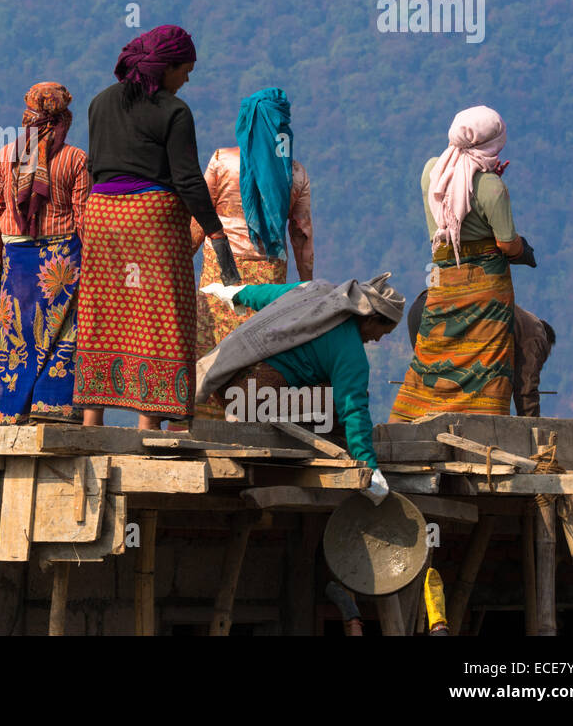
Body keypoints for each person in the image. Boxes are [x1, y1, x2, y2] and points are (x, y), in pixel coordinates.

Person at [73, 25, 241, 430]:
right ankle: (148, 428)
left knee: (102, 311)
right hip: (153, 219)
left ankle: (91, 422)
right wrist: (214, 232)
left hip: (102, 216)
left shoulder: (99, 103)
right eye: (185, 70)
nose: (186, 79)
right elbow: (186, 180)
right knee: (161, 313)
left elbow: (95, 167)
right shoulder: (174, 111)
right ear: (165, 68)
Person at [198, 273, 406, 503]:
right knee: (340, 402)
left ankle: (249, 415)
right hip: (254, 400)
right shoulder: (350, 351)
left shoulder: (317, 292)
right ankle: (330, 449)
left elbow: (269, 295)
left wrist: (236, 294)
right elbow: (354, 409)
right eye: (382, 332)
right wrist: (370, 466)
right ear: (370, 319)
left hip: (226, 384)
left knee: (327, 387)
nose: (377, 340)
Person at [390, 106, 535, 422]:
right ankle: (484, 424)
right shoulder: (492, 189)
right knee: (488, 360)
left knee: (433, 354)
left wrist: (485, 180)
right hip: (487, 294)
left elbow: (460, 196)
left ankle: (414, 417)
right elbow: (506, 243)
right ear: (493, 143)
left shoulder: (433, 171)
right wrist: (526, 252)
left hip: (443, 282)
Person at [191, 88, 313, 421]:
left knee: (213, 341)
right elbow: (301, 235)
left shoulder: (222, 160)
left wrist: (177, 261)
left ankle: (203, 418)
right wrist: (306, 287)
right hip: (270, 276)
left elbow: (201, 218)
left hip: (221, 269)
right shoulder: (295, 172)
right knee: (260, 345)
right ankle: (248, 418)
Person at [0, 82, 90, 424]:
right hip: (62, 257)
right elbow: (83, 216)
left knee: (16, 330)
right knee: (61, 329)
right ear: (63, 120)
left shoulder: (6, 155)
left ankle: (5, 408)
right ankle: (52, 408)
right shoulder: (75, 158)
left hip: (17, 255)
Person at [406, 289, 555, 417]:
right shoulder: (536, 334)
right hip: (447, 313)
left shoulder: (512, 323)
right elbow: (526, 389)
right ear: (546, 344)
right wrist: (533, 431)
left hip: (421, 306)